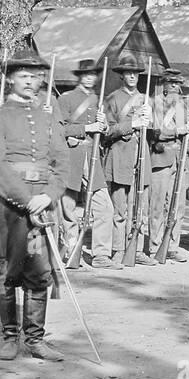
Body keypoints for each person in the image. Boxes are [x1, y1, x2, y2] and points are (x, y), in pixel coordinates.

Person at [0, 52, 70, 361]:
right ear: (10, 79)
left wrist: (49, 195)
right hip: (10, 205)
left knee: (40, 269)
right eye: (24, 76)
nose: (31, 81)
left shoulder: (46, 116)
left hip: (43, 201)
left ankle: (35, 339)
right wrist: (26, 200)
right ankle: (9, 336)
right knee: (8, 270)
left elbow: (61, 160)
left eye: (35, 76)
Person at [54, 58, 114, 267]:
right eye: (85, 74)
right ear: (79, 76)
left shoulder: (99, 100)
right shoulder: (67, 99)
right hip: (71, 156)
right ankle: (71, 251)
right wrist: (87, 128)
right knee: (68, 209)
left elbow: (106, 131)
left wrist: (104, 125)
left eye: (93, 74)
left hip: (93, 157)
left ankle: (100, 255)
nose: (89, 78)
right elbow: (58, 130)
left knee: (105, 207)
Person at [103, 53, 153, 265]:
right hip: (120, 157)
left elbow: (156, 133)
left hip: (141, 157)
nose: (132, 76)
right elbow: (107, 131)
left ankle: (138, 249)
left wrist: (150, 120)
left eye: (135, 73)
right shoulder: (113, 98)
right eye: (128, 73)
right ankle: (117, 249)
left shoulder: (146, 100)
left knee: (139, 208)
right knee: (120, 209)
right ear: (122, 76)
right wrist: (132, 124)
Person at [147, 68, 189, 262]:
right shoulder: (154, 103)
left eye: (177, 83)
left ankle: (173, 245)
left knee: (178, 205)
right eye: (170, 82)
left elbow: (188, 133)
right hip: (160, 157)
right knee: (157, 205)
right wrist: (178, 130)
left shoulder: (182, 106)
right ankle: (154, 246)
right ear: (163, 84)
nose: (174, 86)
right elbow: (155, 131)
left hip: (178, 159)